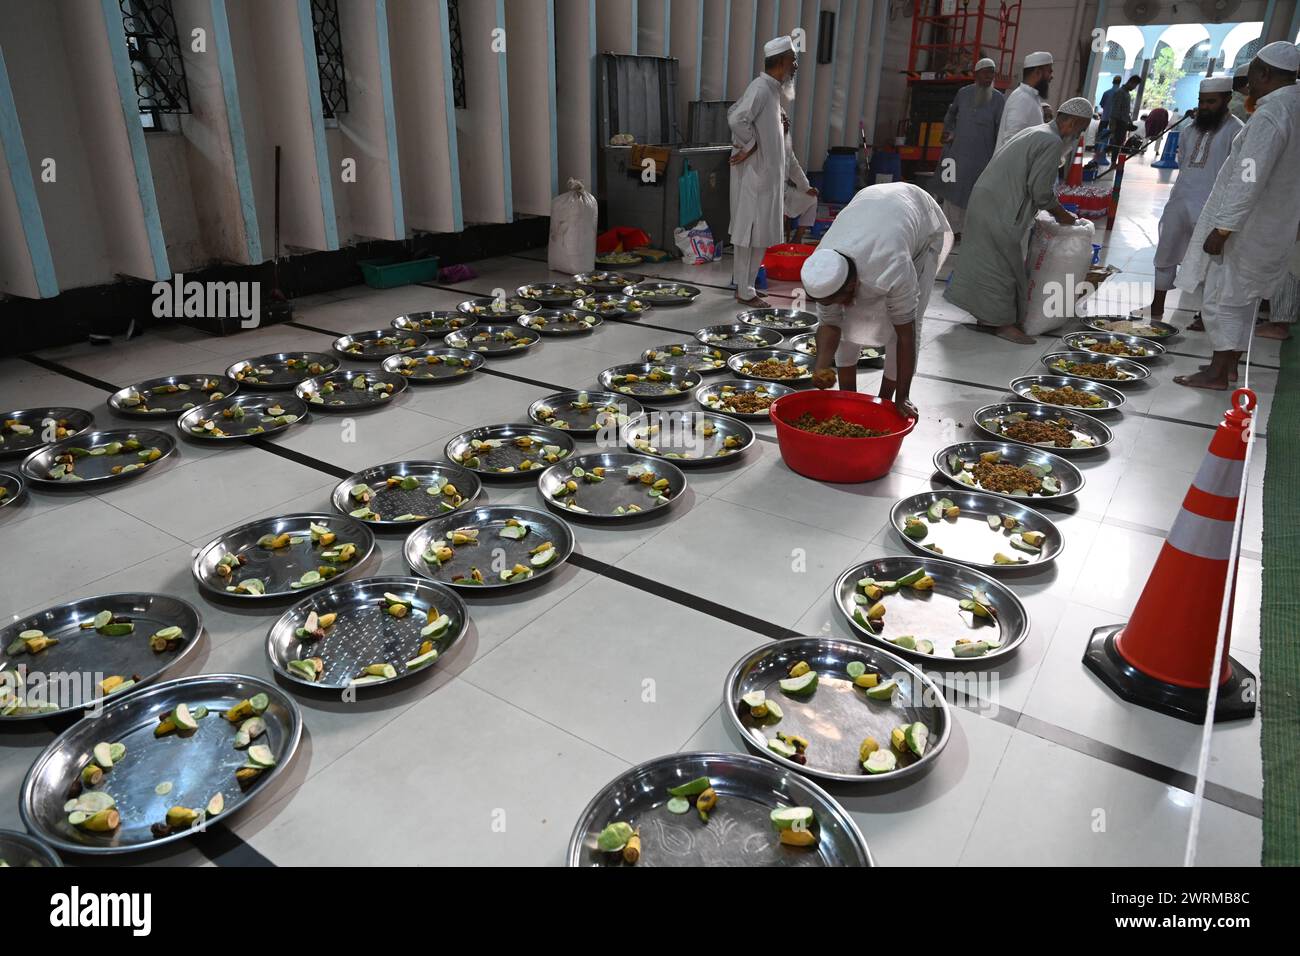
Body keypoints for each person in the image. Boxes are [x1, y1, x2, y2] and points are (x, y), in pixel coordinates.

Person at [1173, 42, 1300, 390]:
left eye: (1253, 73)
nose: (1250, 83)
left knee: (1223, 298)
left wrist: (1224, 228)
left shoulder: (1272, 115)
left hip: (1248, 228)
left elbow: (1249, 177)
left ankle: (1216, 373)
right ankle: (1227, 366)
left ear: (1266, 73)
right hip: (1273, 226)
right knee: (1244, 300)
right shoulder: (1294, 107)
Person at [944, 98, 1093, 344]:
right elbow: (1040, 191)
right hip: (1001, 208)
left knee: (984, 260)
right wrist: (1064, 216)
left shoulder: (1036, 131)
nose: (1079, 133)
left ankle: (986, 318)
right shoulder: (1051, 141)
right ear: (1073, 121)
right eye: (1081, 128)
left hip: (985, 200)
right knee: (1005, 266)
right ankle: (1002, 324)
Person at [799, 182, 952, 418]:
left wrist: (903, 397)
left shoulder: (892, 266)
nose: (834, 305)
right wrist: (821, 365)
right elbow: (830, 324)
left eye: (840, 299)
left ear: (852, 285)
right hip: (872, 206)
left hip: (921, 219)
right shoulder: (823, 267)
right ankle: (849, 398)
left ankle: (886, 400)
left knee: (905, 320)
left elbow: (905, 335)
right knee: (846, 322)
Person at [1132, 77, 1242, 324]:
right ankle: (1157, 306)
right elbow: (1183, 163)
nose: (1204, 107)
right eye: (1201, 101)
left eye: (1211, 102)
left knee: (1211, 263)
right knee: (1166, 252)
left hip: (1211, 207)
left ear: (1227, 100)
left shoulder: (1237, 131)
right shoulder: (1190, 129)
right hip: (1180, 201)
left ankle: (1206, 316)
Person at [728, 36, 798, 307]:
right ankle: (744, 290)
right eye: (793, 60)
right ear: (780, 61)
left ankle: (748, 286)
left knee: (760, 236)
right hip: (754, 178)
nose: (795, 66)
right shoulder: (760, 88)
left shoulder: (771, 91)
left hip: (767, 178)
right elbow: (736, 118)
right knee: (748, 235)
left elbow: (742, 113)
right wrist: (750, 145)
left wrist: (781, 128)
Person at [936, 57, 1004, 239]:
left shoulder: (998, 99)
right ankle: (951, 230)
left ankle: (968, 232)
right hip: (957, 154)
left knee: (975, 194)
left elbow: (1000, 130)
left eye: (992, 72)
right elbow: (951, 115)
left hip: (982, 157)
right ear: (976, 74)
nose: (989, 76)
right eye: (986, 72)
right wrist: (948, 131)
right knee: (952, 190)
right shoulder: (963, 93)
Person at [996, 51, 1054, 152]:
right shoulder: (1022, 98)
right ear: (1037, 72)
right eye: (1049, 72)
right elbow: (1010, 140)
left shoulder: (1031, 97)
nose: (1051, 77)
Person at [780, 109, 818, 244]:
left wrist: (806, 187)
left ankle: (798, 237)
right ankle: (774, 244)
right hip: (767, 192)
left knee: (811, 199)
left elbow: (794, 167)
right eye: (783, 121)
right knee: (777, 209)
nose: (786, 124)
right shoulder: (767, 141)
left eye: (787, 121)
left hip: (784, 190)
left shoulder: (786, 142)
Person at [1107, 75, 1142, 165]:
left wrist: (1129, 121)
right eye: (1134, 86)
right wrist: (1113, 125)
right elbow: (1115, 109)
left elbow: (1126, 110)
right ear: (1131, 82)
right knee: (1116, 143)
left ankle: (1113, 160)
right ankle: (1113, 162)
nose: (1134, 88)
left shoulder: (1127, 93)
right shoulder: (1120, 92)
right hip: (1118, 122)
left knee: (1118, 143)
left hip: (1123, 122)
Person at [1095, 75, 1122, 160]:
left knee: (1101, 135)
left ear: (1112, 82)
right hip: (1115, 120)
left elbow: (1102, 105)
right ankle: (1108, 153)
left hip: (1105, 118)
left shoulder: (1106, 92)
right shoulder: (1121, 93)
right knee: (1113, 136)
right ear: (1120, 82)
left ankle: (1098, 152)